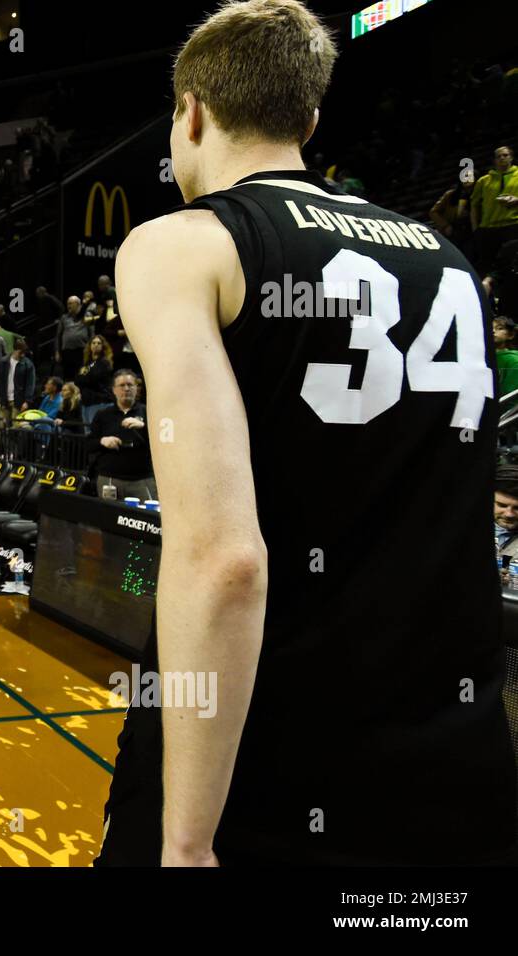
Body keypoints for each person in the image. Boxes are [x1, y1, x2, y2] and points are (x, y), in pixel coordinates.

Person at [97, 0, 516, 867]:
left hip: (269, 763)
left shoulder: (181, 246)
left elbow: (226, 559)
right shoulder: (452, 262)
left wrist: (185, 839)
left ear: (191, 113)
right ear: (310, 118)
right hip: (454, 767)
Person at [86, 369, 154, 500]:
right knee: (108, 518)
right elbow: (88, 445)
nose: (126, 388)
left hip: (142, 480)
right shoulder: (102, 415)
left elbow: (162, 444)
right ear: (114, 390)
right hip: (109, 479)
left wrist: (145, 427)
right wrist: (102, 441)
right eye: (122, 385)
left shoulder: (149, 412)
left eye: (130, 385)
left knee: (146, 518)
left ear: (136, 389)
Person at [470, 145, 518, 275]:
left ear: (511, 158)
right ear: (494, 160)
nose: (502, 158)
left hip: (513, 226)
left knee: (512, 264)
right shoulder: (483, 181)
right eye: (498, 156)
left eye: (505, 155)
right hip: (488, 229)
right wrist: (476, 229)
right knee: (487, 267)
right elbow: (474, 205)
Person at [0, 337, 36, 422]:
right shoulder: (4, 362)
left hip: (18, 401)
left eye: (24, 352)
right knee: (4, 428)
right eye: (21, 352)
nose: (23, 355)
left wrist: (27, 401)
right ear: (15, 350)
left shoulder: (28, 364)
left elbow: (30, 384)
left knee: (16, 428)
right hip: (4, 400)